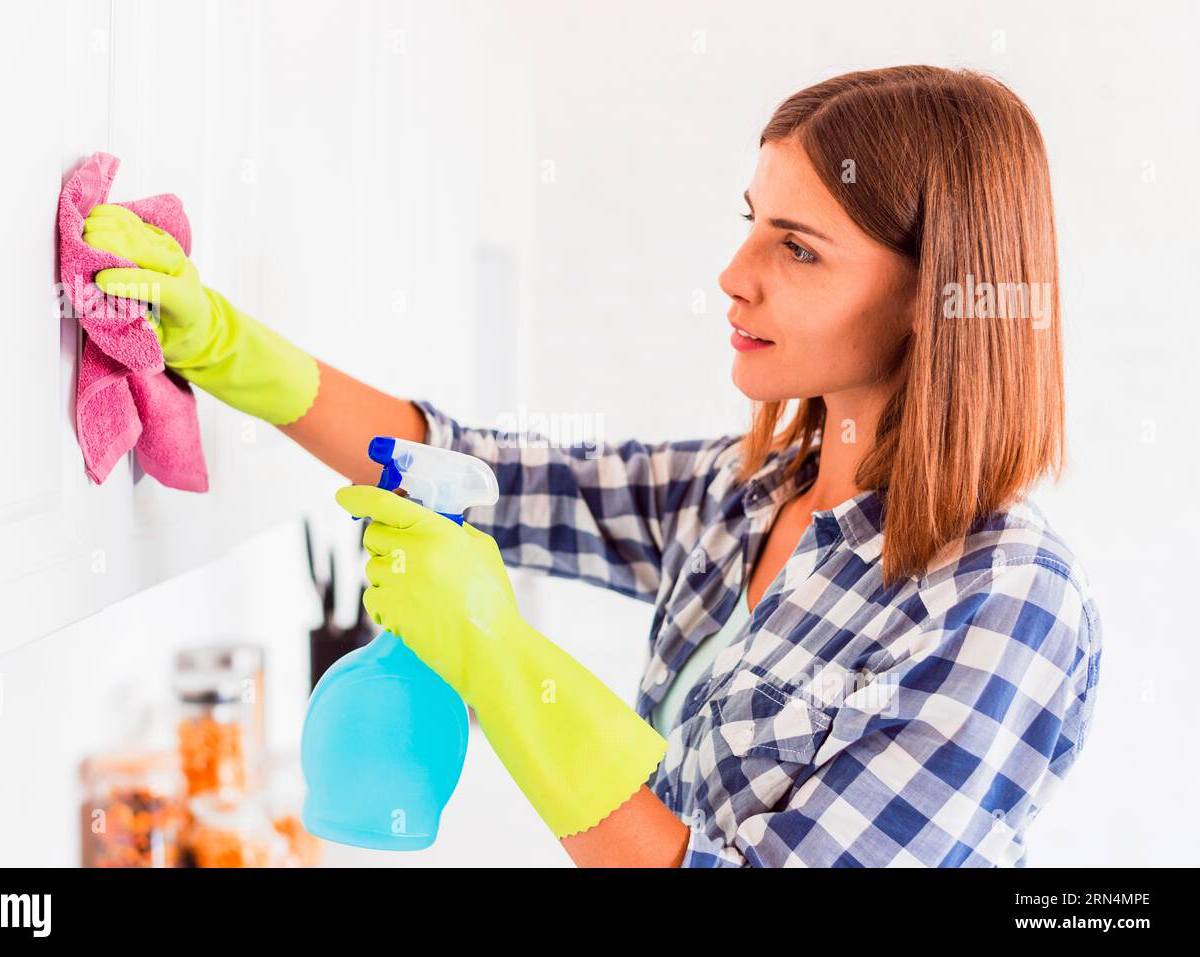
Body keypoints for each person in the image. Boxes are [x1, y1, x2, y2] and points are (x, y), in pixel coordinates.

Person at [82, 65, 1101, 868]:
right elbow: (476, 472)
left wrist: (497, 653)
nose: (731, 276)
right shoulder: (743, 495)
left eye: (797, 249)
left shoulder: (1002, 604)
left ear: (935, 297)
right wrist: (223, 347)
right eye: (748, 221)